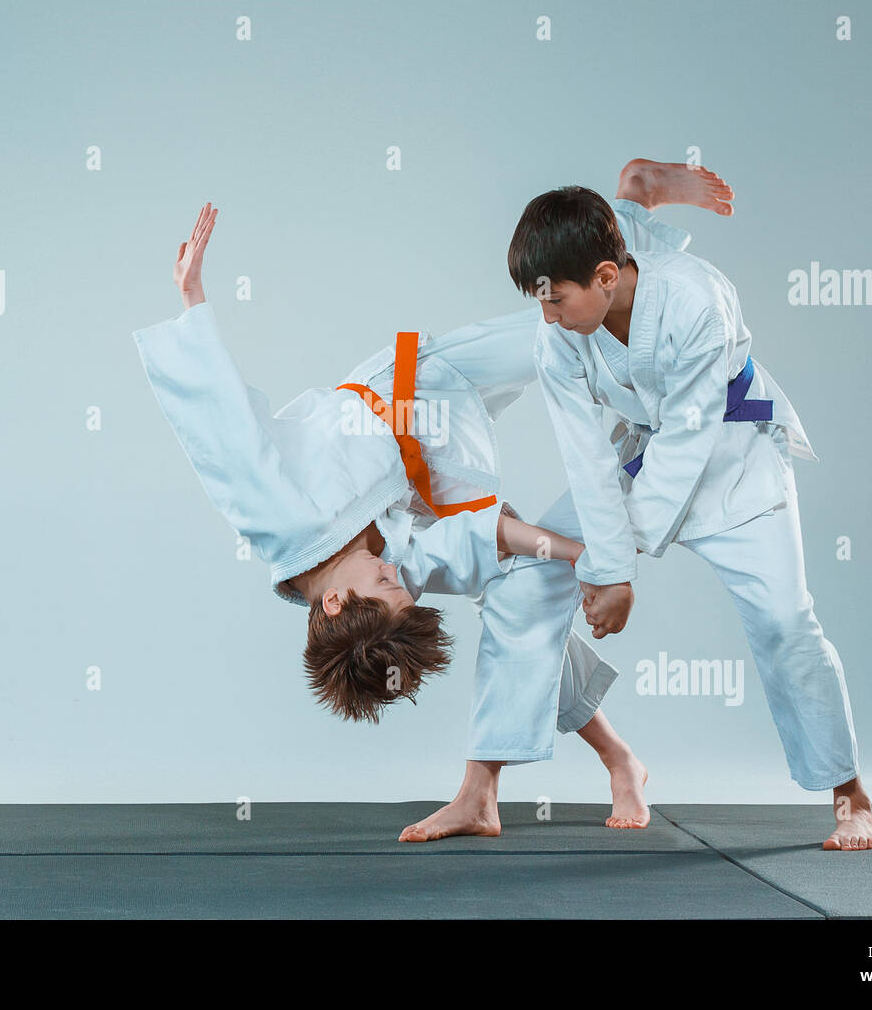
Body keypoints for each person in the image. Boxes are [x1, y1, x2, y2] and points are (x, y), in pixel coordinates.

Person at [132, 160, 729, 840]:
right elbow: (490, 542)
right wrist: (584, 554)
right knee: (520, 593)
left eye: (386, 582)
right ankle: (588, 762)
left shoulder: (274, 517)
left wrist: (192, 302)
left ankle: (632, 210)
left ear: (335, 601)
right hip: (431, 469)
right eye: (399, 584)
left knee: (569, 310)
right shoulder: (385, 576)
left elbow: (221, 433)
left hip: (410, 385)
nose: (397, 577)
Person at [510, 169, 872, 850]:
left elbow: (689, 441)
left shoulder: (696, 299)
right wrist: (604, 563)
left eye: (555, 297)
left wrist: (616, 572)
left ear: (604, 277)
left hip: (730, 455)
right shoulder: (557, 335)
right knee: (526, 578)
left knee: (784, 623)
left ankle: (849, 791)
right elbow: (586, 455)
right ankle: (581, 759)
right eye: (538, 300)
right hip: (641, 453)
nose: (545, 314)